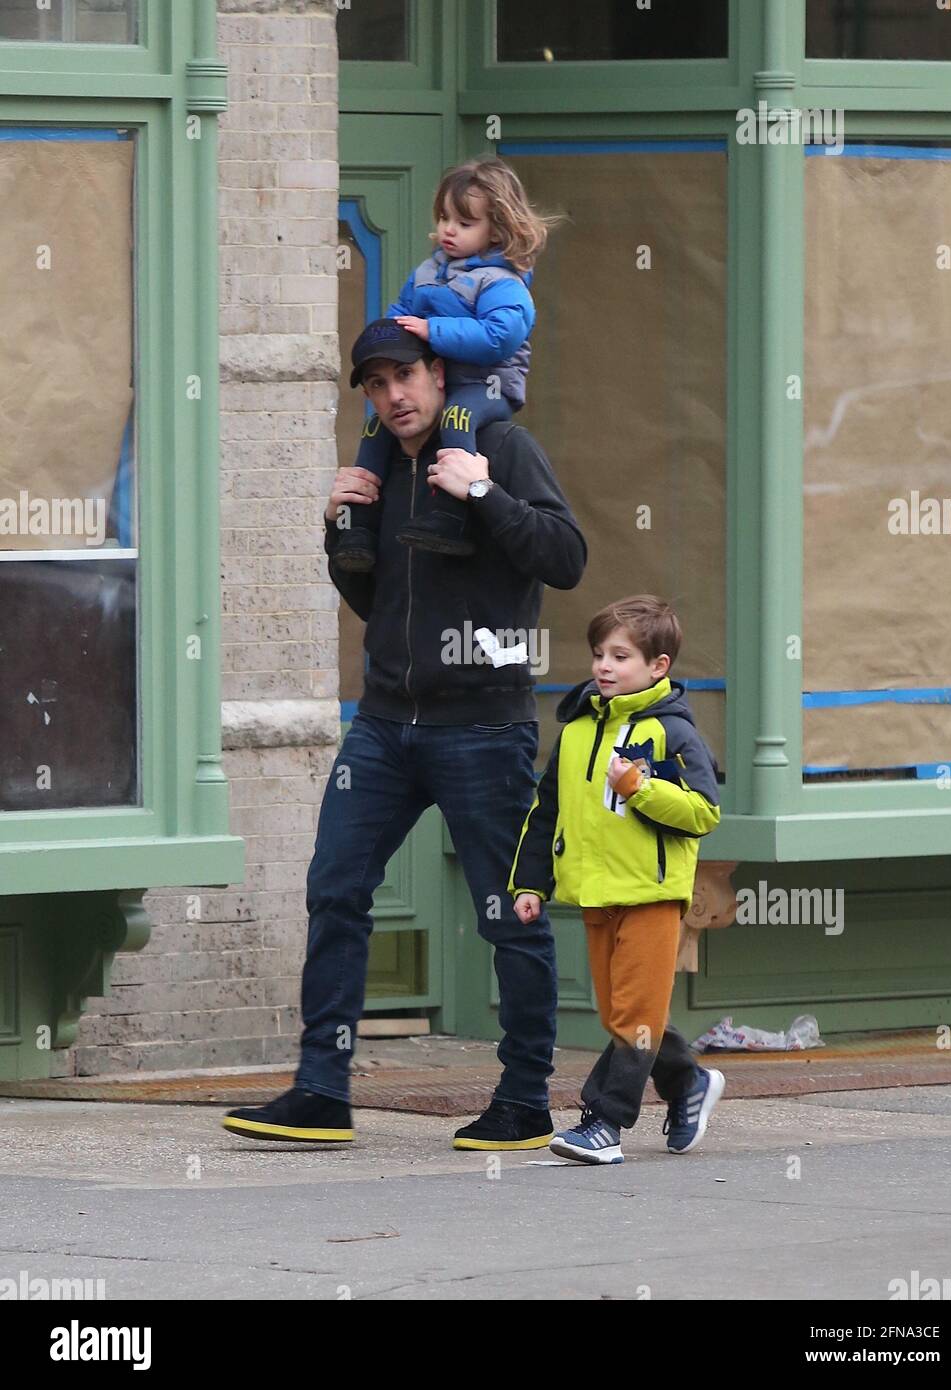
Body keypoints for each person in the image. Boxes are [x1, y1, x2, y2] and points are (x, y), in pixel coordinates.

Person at [222, 320, 586, 1150]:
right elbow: (381, 605)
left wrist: (484, 495)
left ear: (437, 375)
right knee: (336, 890)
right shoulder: (382, 469)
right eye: (377, 386)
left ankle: (526, 1098)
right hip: (385, 726)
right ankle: (322, 1091)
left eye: (405, 378)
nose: (394, 397)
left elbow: (566, 556)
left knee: (509, 914)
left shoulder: (500, 445)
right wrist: (337, 530)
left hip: (483, 728)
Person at [510, 596, 725, 1164]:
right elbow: (546, 809)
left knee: (633, 1016)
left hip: (652, 895)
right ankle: (687, 1083)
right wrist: (530, 883)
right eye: (599, 654)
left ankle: (604, 1123)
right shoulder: (578, 729)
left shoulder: (672, 732)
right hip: (595, 894)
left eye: (621, 656)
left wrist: (640, 790)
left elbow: (704, 811)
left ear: (658, 666)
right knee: (621, 1015)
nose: (604, 666)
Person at [333, 157, 558, 571]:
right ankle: (358, 528)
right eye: (444, 218)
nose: (449, 230)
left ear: (497, 230)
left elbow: (498, 338)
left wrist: (432, 331)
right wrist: (386, 342)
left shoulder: (501, 283)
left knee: (456, 418)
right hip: (447, 379)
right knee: (373, 427)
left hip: (487, 384)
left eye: (464, 222)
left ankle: (451, 517)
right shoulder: (429, 271)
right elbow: (399, 314)